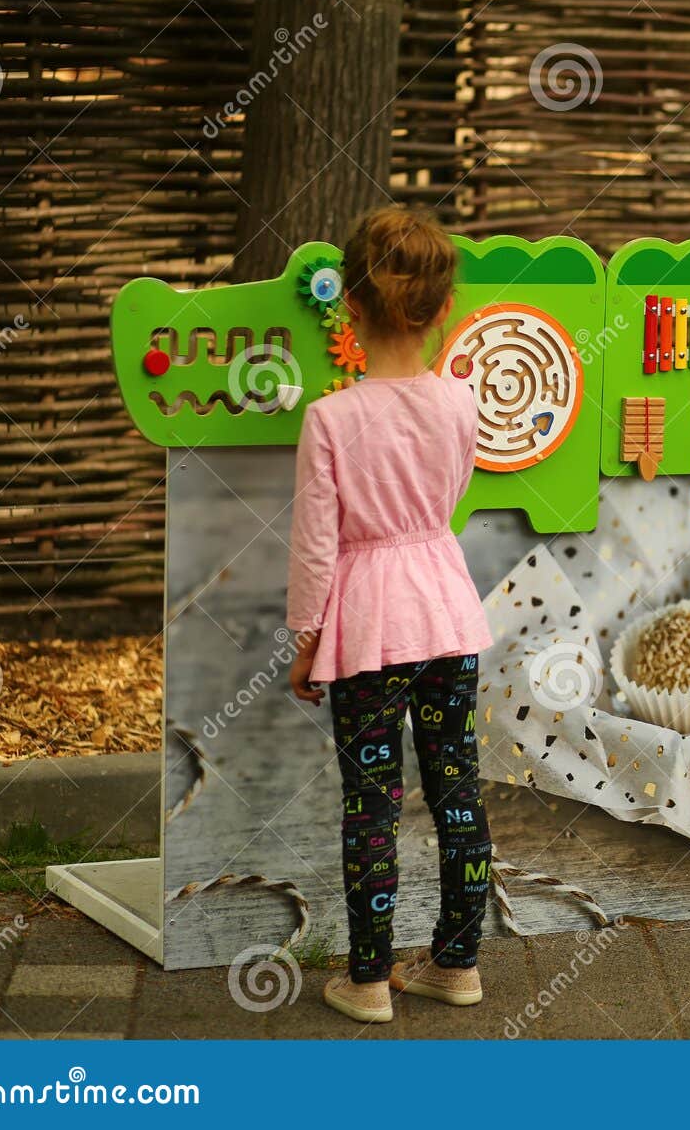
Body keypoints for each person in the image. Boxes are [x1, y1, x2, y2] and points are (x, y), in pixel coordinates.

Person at [286, 206, 494, 1021]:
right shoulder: (462, 402)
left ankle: (368, 979)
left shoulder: (330, 419)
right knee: (458, 791)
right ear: (444, 310)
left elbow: (314, 547)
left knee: (371, 802)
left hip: (367, 626)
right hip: (447, 611)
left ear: (352, 309)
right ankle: (458, 961)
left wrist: (306, 640)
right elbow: (453, 496)